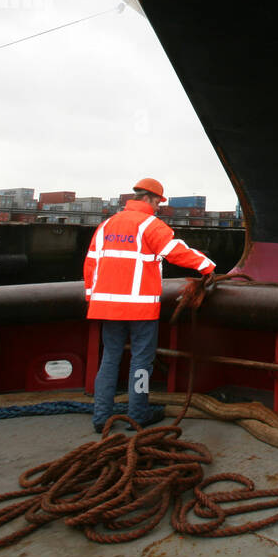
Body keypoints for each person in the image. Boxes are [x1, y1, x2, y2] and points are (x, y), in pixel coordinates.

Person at [83, 177, 216, 432]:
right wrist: (207, 267)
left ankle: (101, 418)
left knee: (109, 359)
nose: (158, 208)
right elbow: (176, 250)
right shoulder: (149, 225)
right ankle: (138, 414)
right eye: (157, 203)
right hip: (140, 309)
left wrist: (92, 298)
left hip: (107, 307)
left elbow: (91, 265)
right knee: (141, 362)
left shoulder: (106, 225)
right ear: (149, 199)